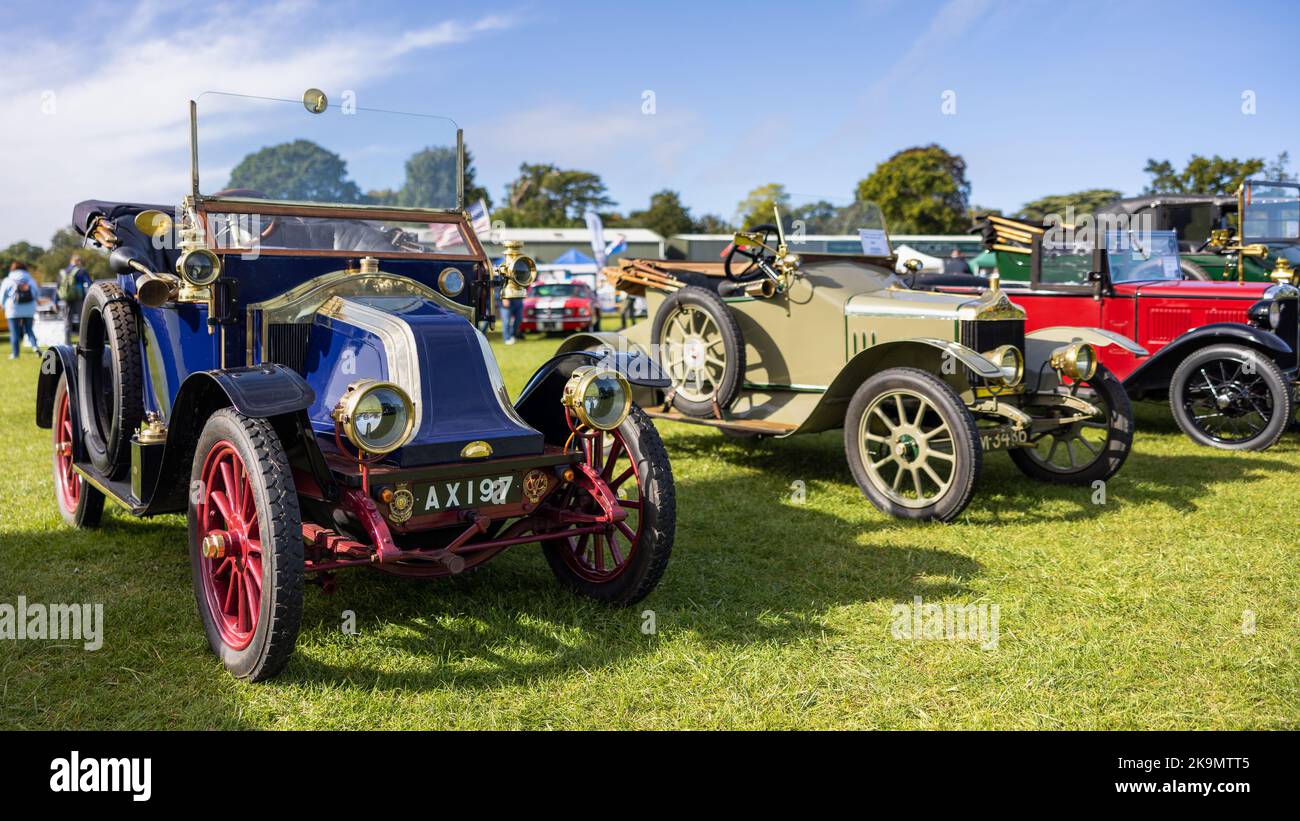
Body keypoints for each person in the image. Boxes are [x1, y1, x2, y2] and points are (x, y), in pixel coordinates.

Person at [2, 260, 41, 359]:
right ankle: (35, 347)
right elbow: (37, 294)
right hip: (29, 309)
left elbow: (2, 296)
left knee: (14, 332)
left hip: (13, 309)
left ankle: (15, 354)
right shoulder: (30, 280)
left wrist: (2, 305)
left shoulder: (8, 280)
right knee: (29, 330)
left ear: (12, 269)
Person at [57, 254, 92, 341]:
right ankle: (83, 341)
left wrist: (55, 301)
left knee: (67, 321)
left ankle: (67, 342)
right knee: (82, 320)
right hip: (79, 299)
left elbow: (58, 287)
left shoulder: (63, 272)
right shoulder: (81, 271)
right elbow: (89, 283)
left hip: (66, 299)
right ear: (78, 261)